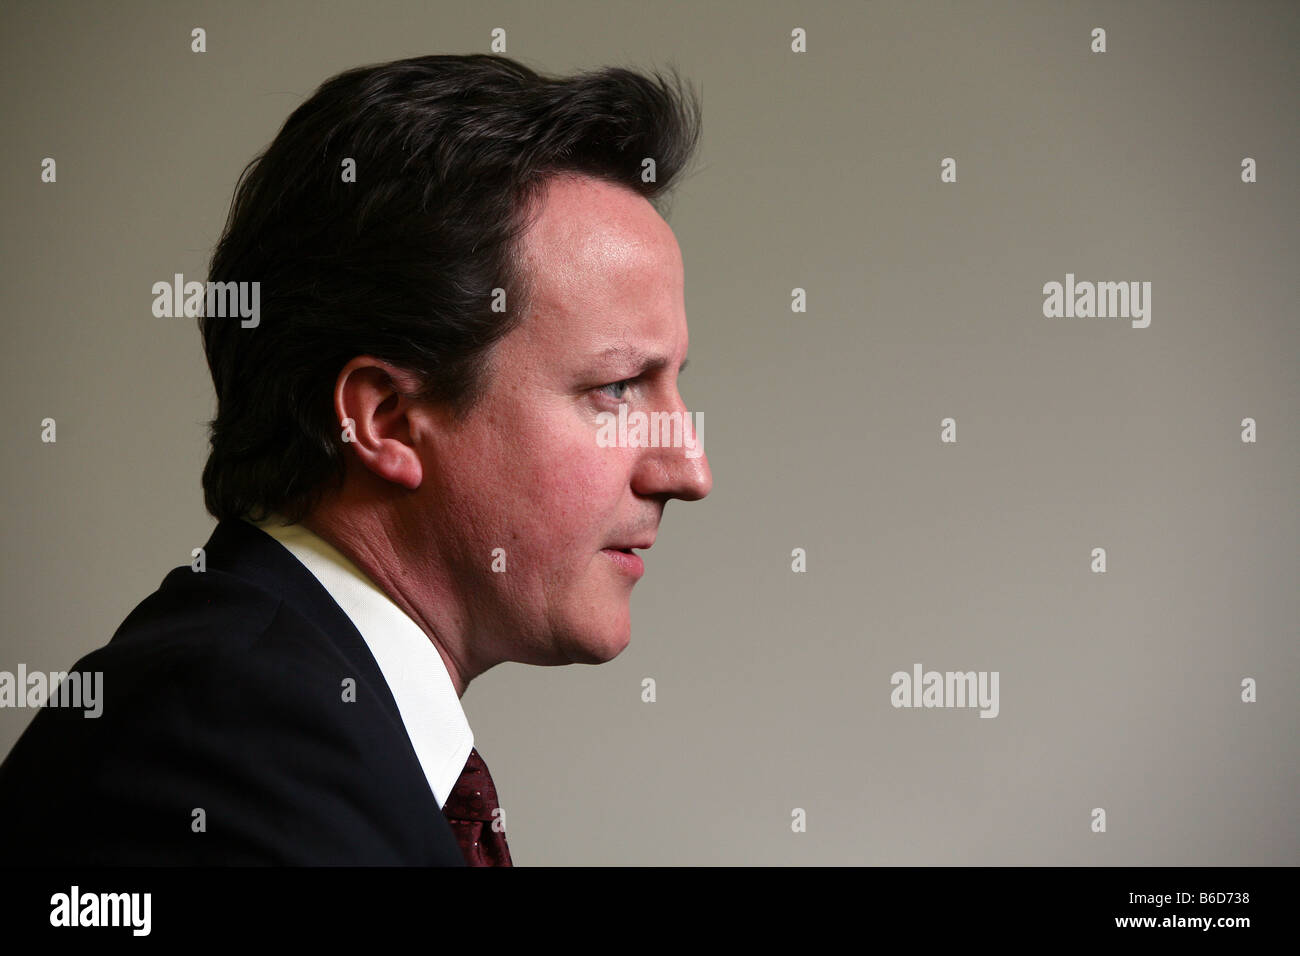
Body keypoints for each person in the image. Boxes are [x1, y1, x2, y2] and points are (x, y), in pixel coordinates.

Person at [0, 53, 711, 865]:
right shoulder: (225, 745)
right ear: (385, 419)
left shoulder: (295, 719)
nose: (688, 470)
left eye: (672, 385)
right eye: (619, 387)